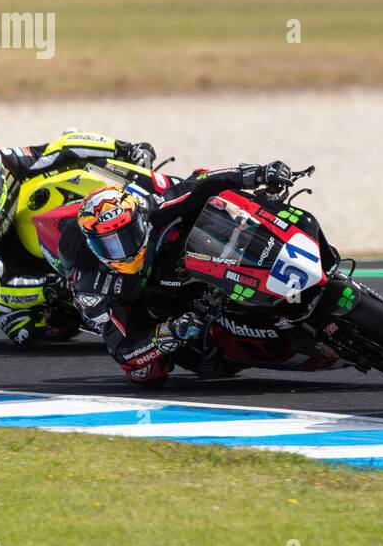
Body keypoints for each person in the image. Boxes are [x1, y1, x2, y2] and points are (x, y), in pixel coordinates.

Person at [57, 161, 295, 386]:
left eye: (125, 237)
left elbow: (201, 182)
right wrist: (168, 333)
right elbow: (123, 352)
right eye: (108, 245)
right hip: (148, 306)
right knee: (148, 374)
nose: (121, 251)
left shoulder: (152, 209)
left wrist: (257, 173)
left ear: (140, 220)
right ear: (92, 246)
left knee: (216, 202)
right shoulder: (92, 287)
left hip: (186, 264)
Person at [0, 131, 155, 345]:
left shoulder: (7, 162)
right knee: (26, 330)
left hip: (9, 217)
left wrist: (124, 149)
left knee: (67, 170)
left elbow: (63, 147)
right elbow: (0, 287)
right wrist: (53, 285)